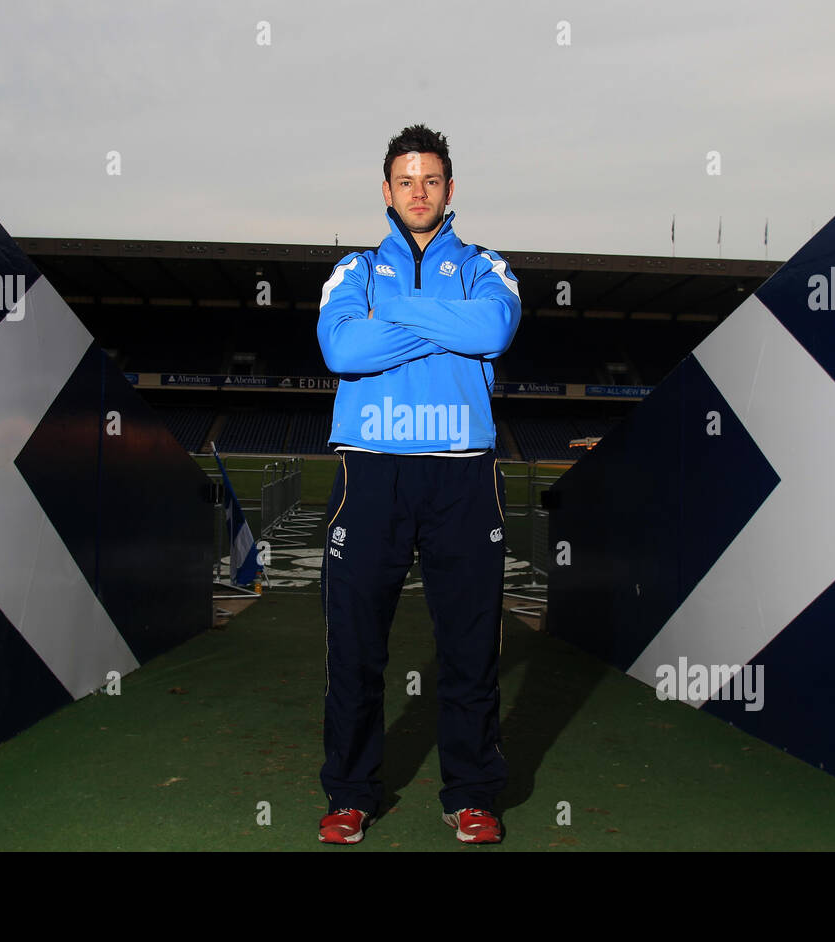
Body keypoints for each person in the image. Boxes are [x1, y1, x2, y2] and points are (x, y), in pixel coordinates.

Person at [315, 124, 521, 844]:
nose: (419, 191)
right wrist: (445, 328)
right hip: (372, 471)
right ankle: (349, 792)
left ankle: (470, 794)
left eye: (431, 179)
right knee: (356, 645)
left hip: (462, 475)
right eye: (406, 180)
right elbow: (342, 345)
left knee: (468, 649)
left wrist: (396, 315)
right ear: (386, 190)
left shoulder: (485, 266)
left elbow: (492, 331)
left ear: (450, 189)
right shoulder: (354, 270)